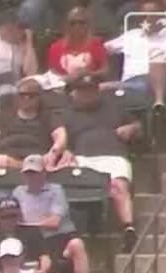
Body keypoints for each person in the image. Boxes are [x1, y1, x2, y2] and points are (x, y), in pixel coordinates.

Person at [56, 72, 140, 246]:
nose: (87, 94)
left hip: (113, 155)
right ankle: (69, 232)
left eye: (91, 90)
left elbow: (138, 126)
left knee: (118, 187)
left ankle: (128, 227)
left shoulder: (114, 107)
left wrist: (131, 128)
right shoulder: (67, 114)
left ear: (97, 91)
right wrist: (67, 152)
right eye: (83, 91)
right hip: (82, 158)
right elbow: (62, 140)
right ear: (76, 93)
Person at [10, 154, 90, 273]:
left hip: (57, 237)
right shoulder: (18, 192)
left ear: (44, 173)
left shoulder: (56, 190)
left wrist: (26, 225)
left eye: (35, 173)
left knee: (77, 244)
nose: (31, 177)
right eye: (28, 173)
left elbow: (54, 222)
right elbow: (12, 216)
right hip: (32, 239)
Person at [105, 0, 166, 114]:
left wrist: (163, 64)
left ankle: (158, 103)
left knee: (157, 59)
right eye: (145, 15)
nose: (149, 18)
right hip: (129, 85)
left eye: (153, 14)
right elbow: (104, 49)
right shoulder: (131, 36)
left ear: (162, 15)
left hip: (159, 85)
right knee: (101, 88)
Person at [0, 76, 65, 171]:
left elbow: (61, 137)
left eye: (31, 95)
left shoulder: (49, 116)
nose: (26, 98)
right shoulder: (5, 116)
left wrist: (52, 154)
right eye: (22, 95)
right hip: (6, 156)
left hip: (36, 157)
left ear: (39, 97)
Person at [47, 7, 108, 84]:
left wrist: (89, 73)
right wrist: (66, 78)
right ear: (66, 25)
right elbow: (52, 73)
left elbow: (105, 71)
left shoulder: (97, 44)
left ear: (88, 25)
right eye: (72, 23)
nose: (77, 26)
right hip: (62, 86)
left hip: (89, 86)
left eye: (81, 22)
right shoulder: (55, 47)